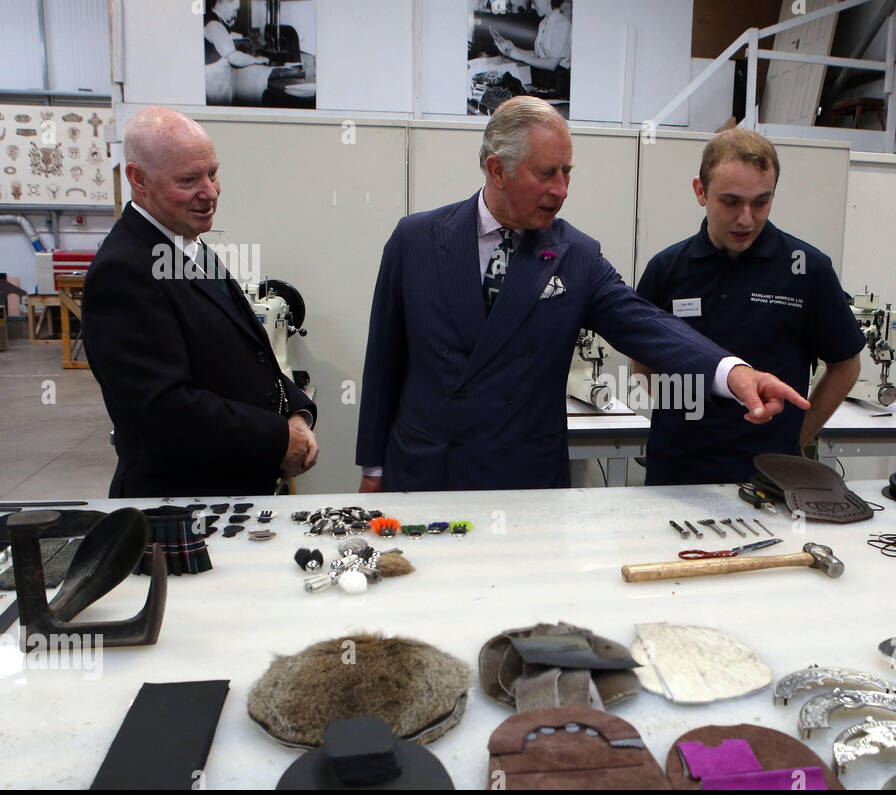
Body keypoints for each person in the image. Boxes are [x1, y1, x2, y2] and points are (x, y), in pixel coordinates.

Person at [355, 96, 807, 492]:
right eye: (546, 173)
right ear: (497, 170)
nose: (561, 190)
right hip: (425, 474)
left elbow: (647, 325)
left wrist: (733, 373)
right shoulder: (416, 240)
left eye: (567, 172)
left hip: (523, 482)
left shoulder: (576, 255)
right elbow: (384, 362)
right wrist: (373, 468)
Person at [82, 106, 318, 498]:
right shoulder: (123, 271)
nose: (209, 192)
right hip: (181, 503)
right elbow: (163, 410)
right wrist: (278, 438)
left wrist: (296, 413)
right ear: (138, 179)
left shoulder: (186, 244)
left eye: (212, 173)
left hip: (233, 486)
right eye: (188, 180)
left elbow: (251, 355)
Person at [632, 129, 865, 486]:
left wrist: (795, 439)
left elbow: (846, 365)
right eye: (730, 202)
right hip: (676, 470)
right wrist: (685, 418)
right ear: (700, 191)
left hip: (769, 474)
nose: (746, 219)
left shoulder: (807, 269)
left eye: (761, 202)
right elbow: (642, 361)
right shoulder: (667, 269)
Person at [491, 0, 571, 97]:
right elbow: (538, 55)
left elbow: (551, 64)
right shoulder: (544, 22)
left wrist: (519, 55)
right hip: (542, 81)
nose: (532, 6)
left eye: (535, 2)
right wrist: (513, 49)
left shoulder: (561, 24)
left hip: (556, 86)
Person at [204, 0, 269, 106]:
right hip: (215, 81)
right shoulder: (214, 24)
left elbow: (227, 35)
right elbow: (233, 57)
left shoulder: (213, 19)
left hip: (216, 78)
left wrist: (245, 38)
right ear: (224, 3)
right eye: (234, 10)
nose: (235, 15)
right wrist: (256, 60)